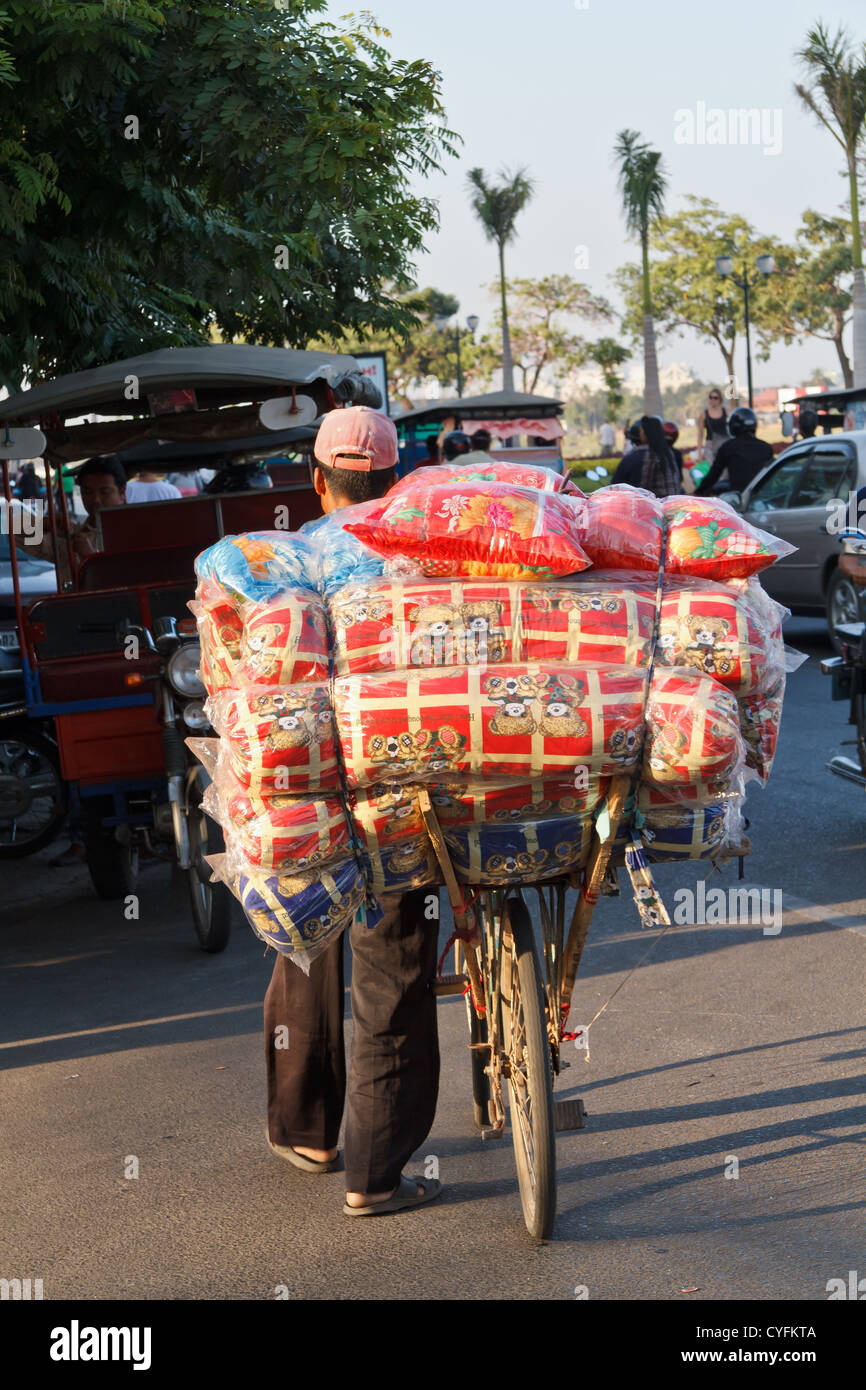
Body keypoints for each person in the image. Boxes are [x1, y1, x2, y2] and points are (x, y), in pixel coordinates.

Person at [266, 405, 442, 1218]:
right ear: (396, 481)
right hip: (405, 795)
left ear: (316, 481)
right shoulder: (429, 553)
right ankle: (373, 1176)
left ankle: (308, 1131)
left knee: (307, 938)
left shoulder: (293, 562)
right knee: (393, 966)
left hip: (313, 803)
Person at [695, 406, 774, 497]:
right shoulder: (766, 448)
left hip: (739, 499)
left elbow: (713, 475)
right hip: (765, 497)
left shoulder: (728, 447)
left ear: (733, 426)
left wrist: (698, 492)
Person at [611, 415, 681, 496]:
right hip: (673, 499)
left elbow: (644, 486)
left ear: (646, 433)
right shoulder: (667, 451)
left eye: (641, 431)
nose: (640, 434)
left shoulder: (650, 454)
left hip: (660, 502)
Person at [696, 389, 729, 461]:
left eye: (715, 398)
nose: (712, 400)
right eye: (711, 397)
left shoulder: (726, 412)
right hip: (710, 445)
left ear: (720, 400)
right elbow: (700, 435)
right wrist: (699, 453)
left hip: (724, 444)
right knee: (712, 469)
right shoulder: (704, 415)